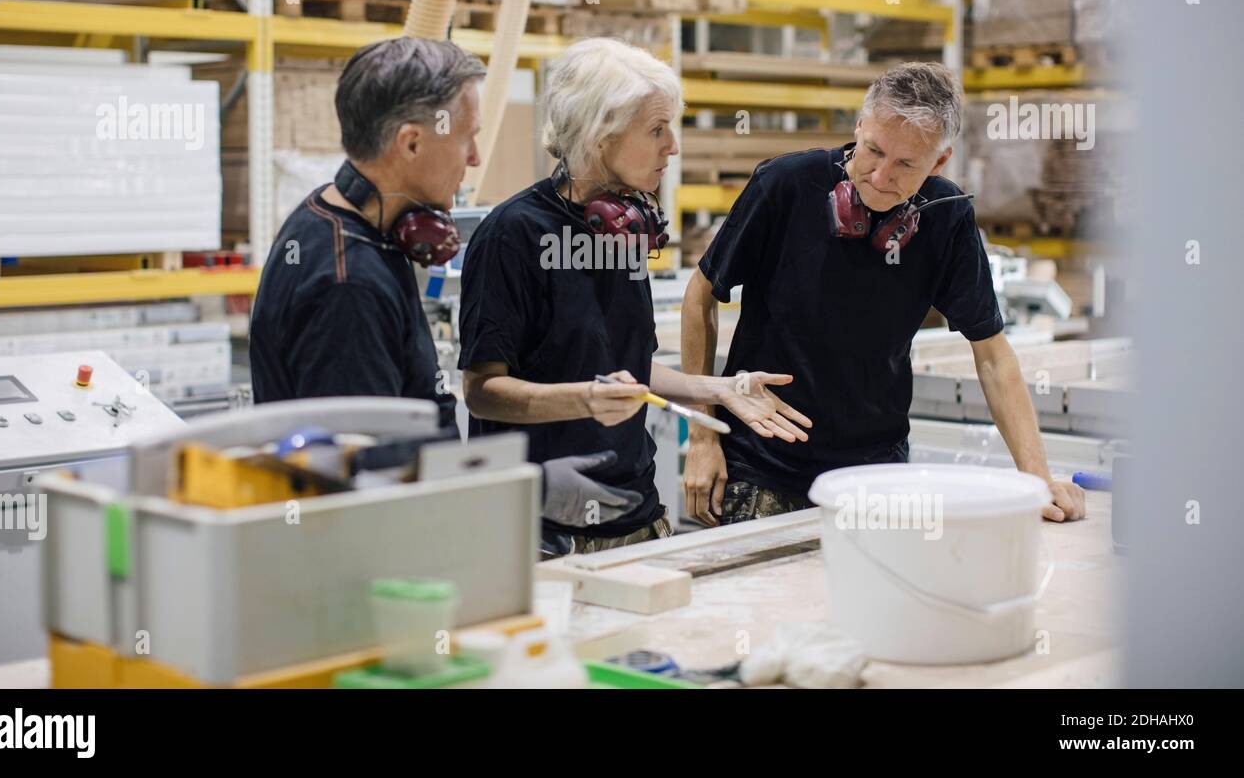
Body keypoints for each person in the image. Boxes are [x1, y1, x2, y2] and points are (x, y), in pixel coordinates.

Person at [249, 36, 635, 527]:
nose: (474, 158)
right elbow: (362, 479)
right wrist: (523, 489)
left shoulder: (338, 219)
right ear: (411, 142)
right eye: (466, 138)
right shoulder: (348, 286)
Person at [679, 61, 1087, 525]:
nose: (878, 177)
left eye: (905, 165)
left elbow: (992, 355)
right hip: (763, 473)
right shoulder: (785, 185)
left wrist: (1037, 480)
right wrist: (702, 436)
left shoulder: (946, 219)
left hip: (877, 480)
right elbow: (700, 297)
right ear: (859, 126)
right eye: (873, 150)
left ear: (938, 161)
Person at [459, 38, 812, 556]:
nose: (673, 146)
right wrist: (583, 399)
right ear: (602, 135)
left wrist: (717, 389)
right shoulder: (512, 235)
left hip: (634, 516)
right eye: (656, 129)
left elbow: (628, 371)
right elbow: (483, 390)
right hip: (540, 536)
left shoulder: (622, 231)